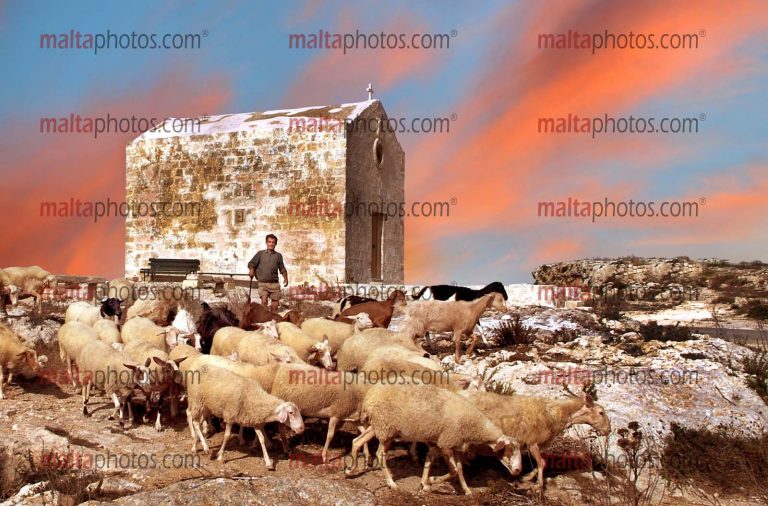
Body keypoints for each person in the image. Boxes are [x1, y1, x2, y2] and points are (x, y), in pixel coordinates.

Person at [247, 234, 288, 311]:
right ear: (266, 243)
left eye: (273, 242)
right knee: (264, 301)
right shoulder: (260, 254)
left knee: (275, 305)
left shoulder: (278, 256)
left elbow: (282, 268)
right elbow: (251, 263)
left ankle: (273, 317)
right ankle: (264, 317)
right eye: (269, 242)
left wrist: (285, 278)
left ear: (276, 243)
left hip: (274, 284)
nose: (271, 244)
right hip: (263, 283)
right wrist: (251, 270)